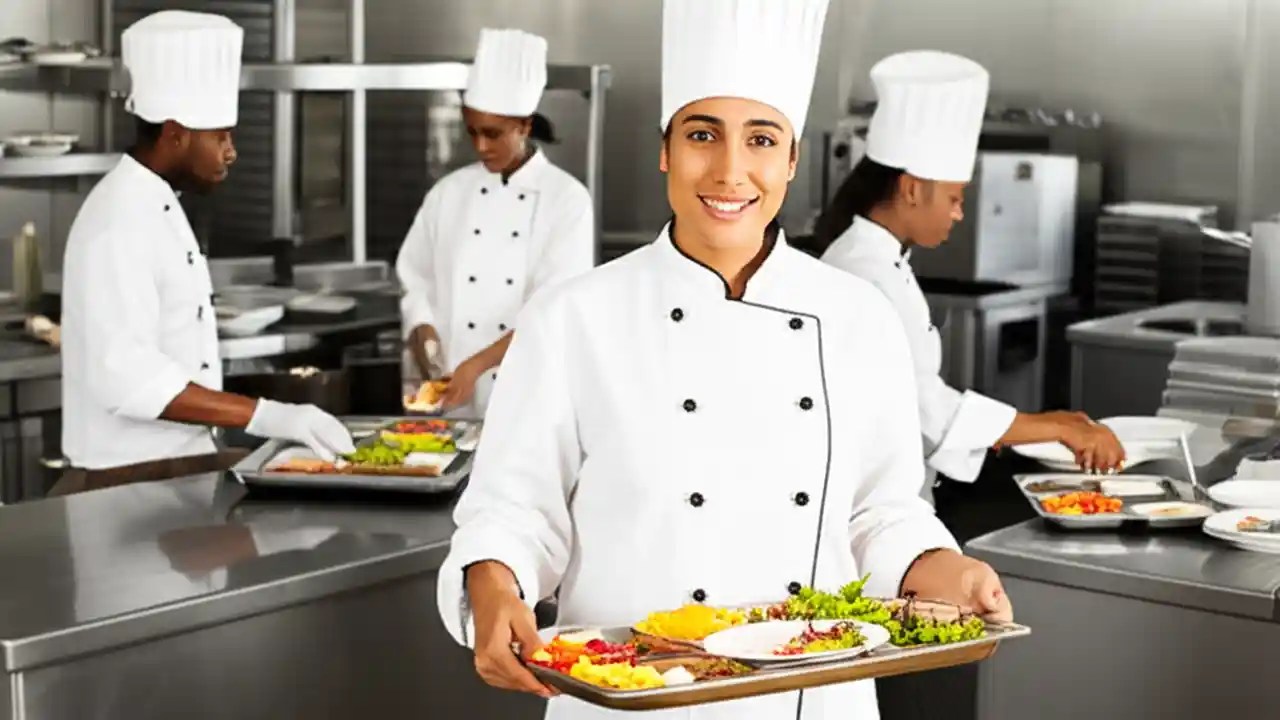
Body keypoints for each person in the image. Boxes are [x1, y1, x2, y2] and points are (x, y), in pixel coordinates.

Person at [436, 3, 1012, 718]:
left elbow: (882, 510)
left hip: (814, 698)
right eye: (702, 134)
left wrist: (940, 567)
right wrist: (492, 583)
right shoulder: (573, 317)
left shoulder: (858, 316)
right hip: (629, 701)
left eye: (762, 139)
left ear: (793, 158)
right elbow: (515, 509)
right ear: (665, 149)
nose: (732, 170)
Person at [57, 10, 354, 495]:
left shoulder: (158, 203)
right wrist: (271, 416)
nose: (232, 152)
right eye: (221, 136)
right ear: (176, 134)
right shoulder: (118, 220)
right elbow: (127, 378)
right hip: (127, 482)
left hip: (174, 471)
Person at [819, 51, 1125, 486]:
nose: (959, 213)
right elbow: (925, 411)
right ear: (911, 189)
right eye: (954, 198)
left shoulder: (882, 261)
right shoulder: (864, 274)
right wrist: (1055, 426)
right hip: (868, 506)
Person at [396, 28, 594, 417]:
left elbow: (553, 311)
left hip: (527, 399)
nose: (481, 146)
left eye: (493, 133)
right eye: (472, 132)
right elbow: (415, 279)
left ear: (525, 125)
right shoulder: (448, 193)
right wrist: (425, 337)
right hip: (448, 401)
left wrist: (478, 365)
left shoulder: (566, 200)